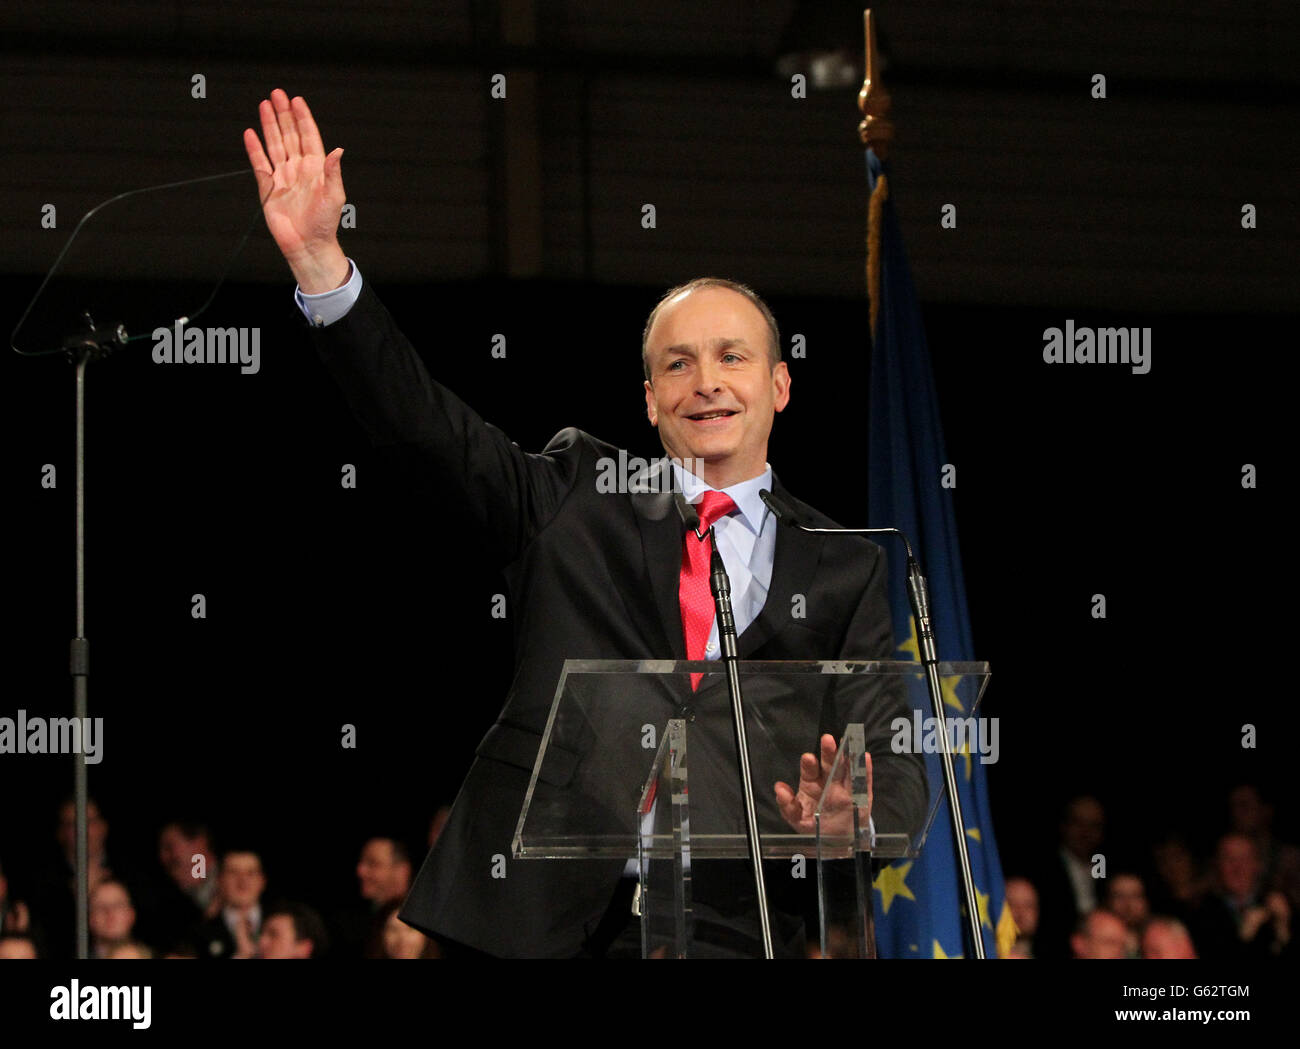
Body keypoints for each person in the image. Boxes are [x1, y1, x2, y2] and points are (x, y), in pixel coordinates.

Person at [243, 88, 926, 958]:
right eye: (677, 364)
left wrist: (858, 819)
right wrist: (321, 265)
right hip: (535, 919)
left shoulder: (844, 568)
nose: (705, 381)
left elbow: (896, 762)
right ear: (650, 400)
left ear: (781, 386)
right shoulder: (576, 491)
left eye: (732, 356)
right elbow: (424, 428)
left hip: (733, 926)